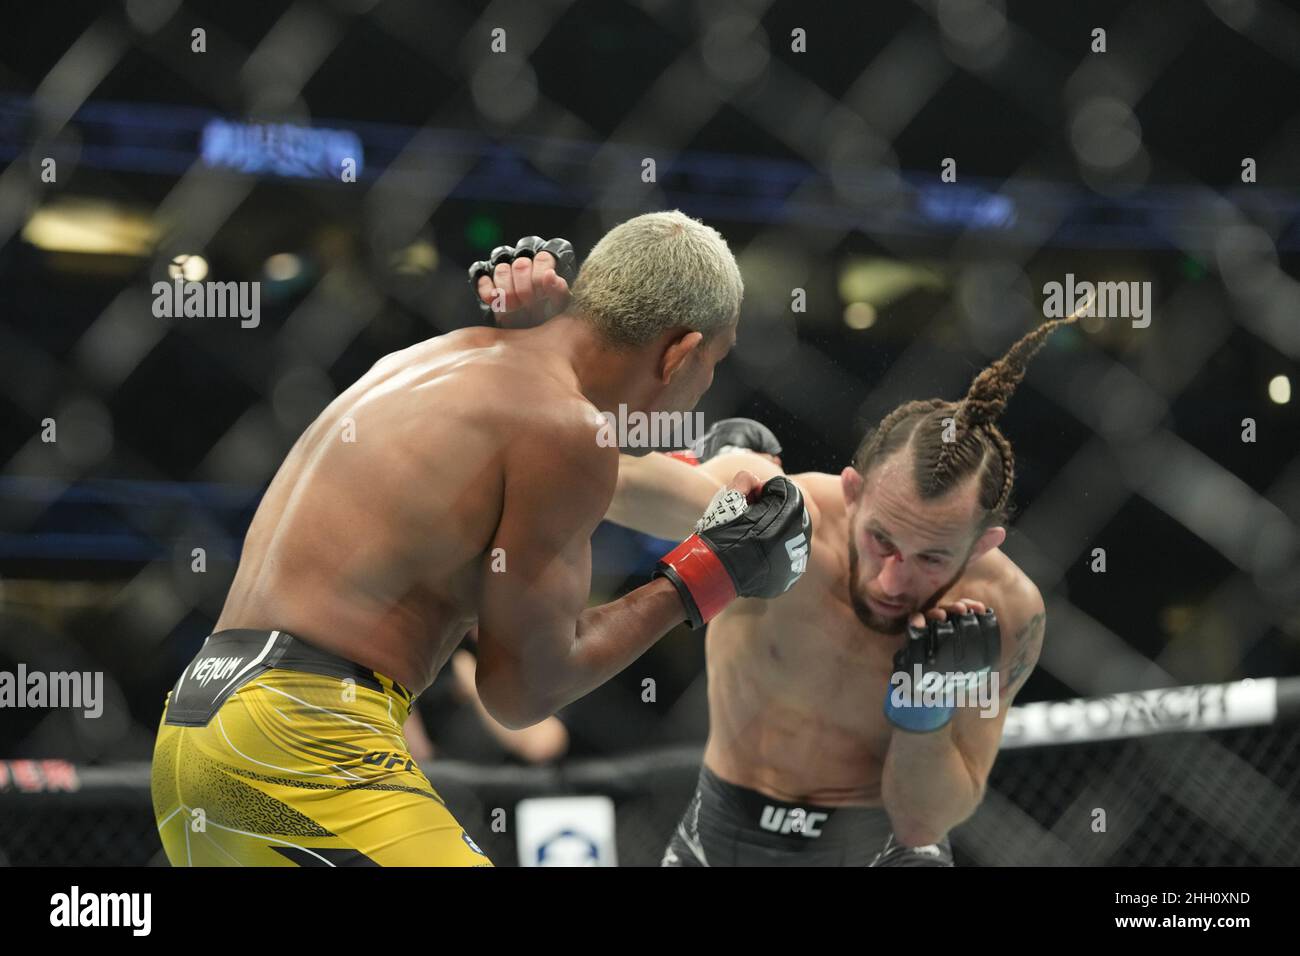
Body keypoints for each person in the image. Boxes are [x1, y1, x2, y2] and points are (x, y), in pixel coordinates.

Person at [150, 210, 812, 866]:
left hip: (200, 729)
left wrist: (724, 498)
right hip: (300, 738)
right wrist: (703, 577)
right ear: (682, 352)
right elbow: (523, 690)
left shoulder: (442, 363)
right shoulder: (565, 428)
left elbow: (612, 479)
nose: (706, 392)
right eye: (715, 364)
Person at [480, 245, 1070, 866]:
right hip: (724, 835)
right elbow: (615, 485)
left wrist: (924, 723)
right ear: (853, 490)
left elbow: (923, 818)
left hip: (883, 848)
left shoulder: (1005, 610)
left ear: (983, 546)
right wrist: (542, 358)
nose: (895, 579)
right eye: (882, 540)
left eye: (932, 559)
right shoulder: (777, 508)